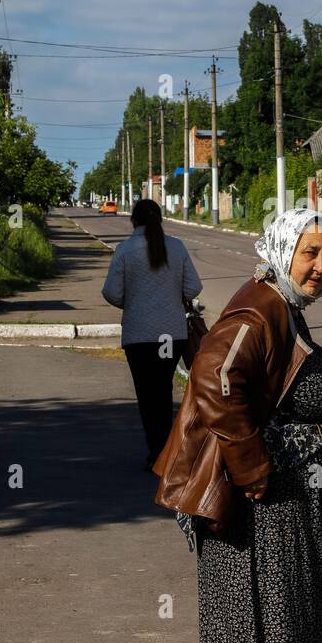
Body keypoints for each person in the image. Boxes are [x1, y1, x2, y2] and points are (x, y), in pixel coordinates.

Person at [155, 207, 322, 643]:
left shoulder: (280, 302)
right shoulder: (257, 308)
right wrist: (253, 465)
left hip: (285, 502)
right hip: (262, 505)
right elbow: (213, 379)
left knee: (279, 613)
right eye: (308, 253)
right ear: (283, 249)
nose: (318, 266)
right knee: (265, 614)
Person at [102, 198, 202, 468]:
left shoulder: (124, 250)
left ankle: (158, 452)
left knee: (147, 397)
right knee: (164, 391)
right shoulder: (176, 247)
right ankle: (168, 451)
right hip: (171, 333)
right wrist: (171, 297)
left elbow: (111, 292)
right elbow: (194, 286)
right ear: (159, 219)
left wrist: (132, 302)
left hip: (139, 336)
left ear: (133, 220)